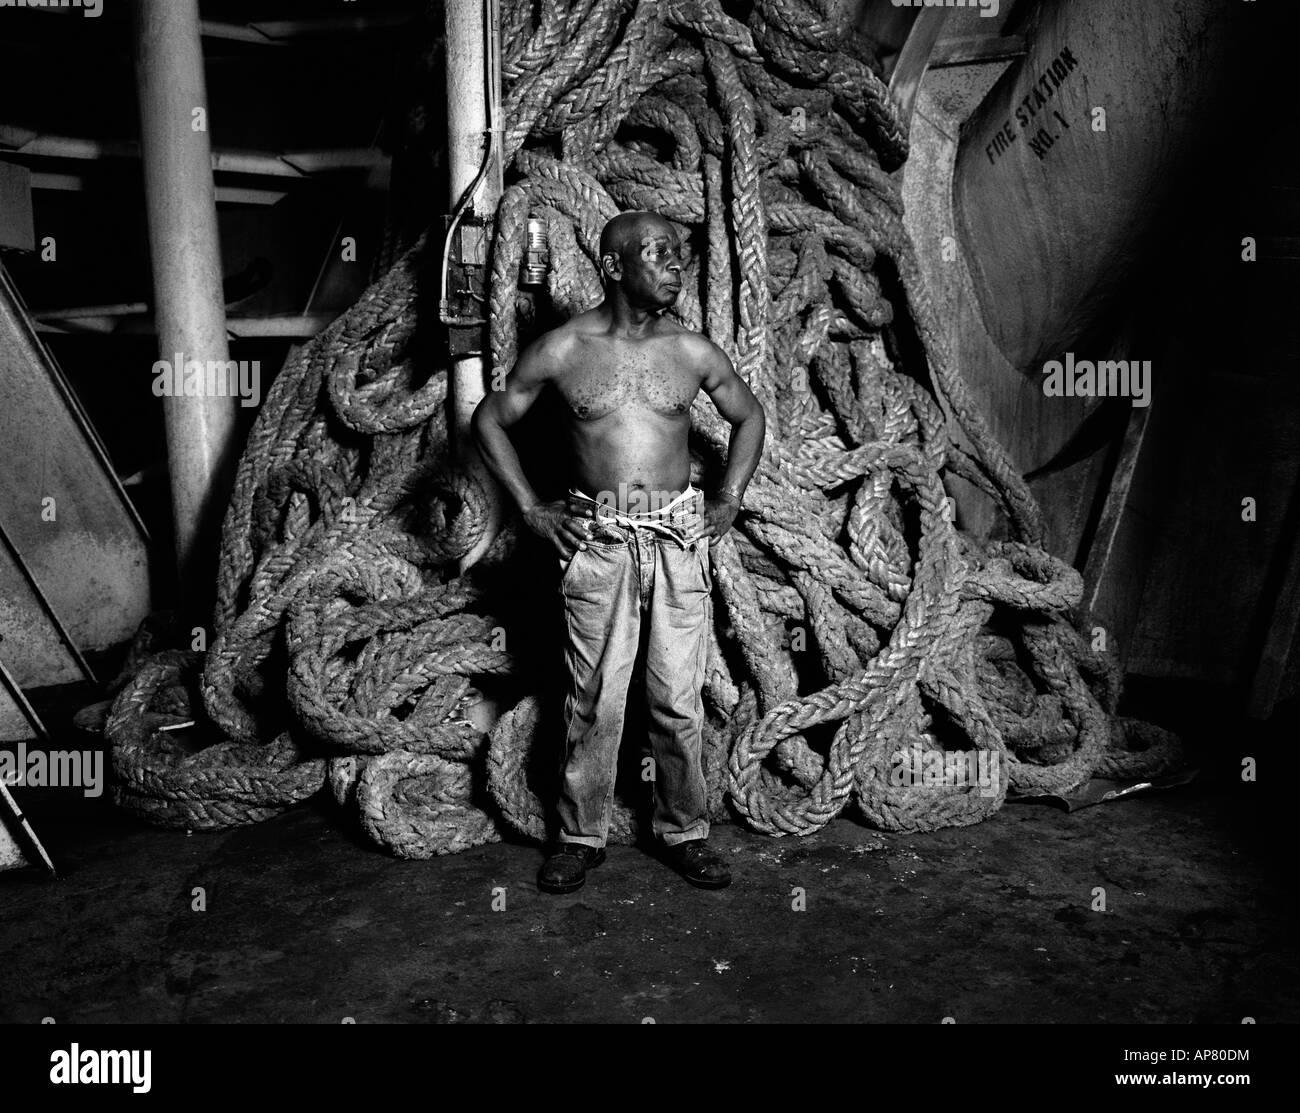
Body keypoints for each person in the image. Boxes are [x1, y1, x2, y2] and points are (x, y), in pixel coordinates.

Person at [472, 211, 766, 893]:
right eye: (658, 253)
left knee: (676, 698)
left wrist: (729, 499)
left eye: (675, 253)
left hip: (674, 536)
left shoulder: (692, 351)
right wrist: (531, 508)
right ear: (614, 266)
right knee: (593, 701)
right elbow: (489, 417)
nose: (673, 265)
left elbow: (749, 415)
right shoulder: (564, 348)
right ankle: (580, 835)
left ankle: (685, 830)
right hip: (597, 539)